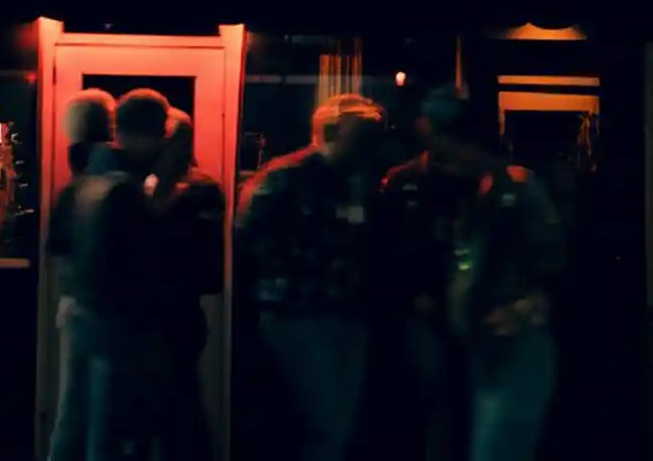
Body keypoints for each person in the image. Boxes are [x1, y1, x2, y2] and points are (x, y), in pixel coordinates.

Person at [383, 87, 565, 461]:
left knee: (496, 437)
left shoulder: (510, 187)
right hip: (449, 327)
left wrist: (529, 302)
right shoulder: (417, 183)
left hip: (501, 330)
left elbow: (550, 259)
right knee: (448, 429)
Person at [235, 94, 389, 461]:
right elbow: (250, 242)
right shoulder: (284, 178)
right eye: (362, 134)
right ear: (332, 130)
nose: (371, 143)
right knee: (328, 424)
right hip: (298, 314)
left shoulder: (358, 180)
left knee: (337, 424)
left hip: (342, 313)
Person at [71, 89, 176, 461]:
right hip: (120, 333)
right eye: (160, 131)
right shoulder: (124, 192)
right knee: (112, 436)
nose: (165, 140)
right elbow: (139, 267)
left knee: (87, 431)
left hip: (95, 328)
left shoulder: (93, 181)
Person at [47, 89, 117, 461]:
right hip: (104, 308)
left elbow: (57, 246)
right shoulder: (109, 170)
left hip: (76, 302)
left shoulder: (73, 177)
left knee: (73, 406)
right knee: (102, 411)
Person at [155, 108, 225, 461]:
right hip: (183, 311)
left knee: (174, 402)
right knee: (183, 400)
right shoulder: (204, 189)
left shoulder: (188, 191)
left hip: (171, 312)